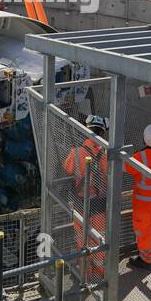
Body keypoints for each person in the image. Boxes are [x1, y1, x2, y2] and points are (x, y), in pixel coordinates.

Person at [62, 115, 108, 278]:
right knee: (99, 236)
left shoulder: (76, 152)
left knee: (82, 238)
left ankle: (84, 274)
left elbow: (67, 170)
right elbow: (110, 175)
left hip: (81, 201)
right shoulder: (106, 153)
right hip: (100, 202)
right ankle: (100, 273)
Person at [124, 123, 151, 268]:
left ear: (145, 139)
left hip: (142, 205)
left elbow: (124, 167)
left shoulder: (139, 157)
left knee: (143, 232)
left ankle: (146, 260)